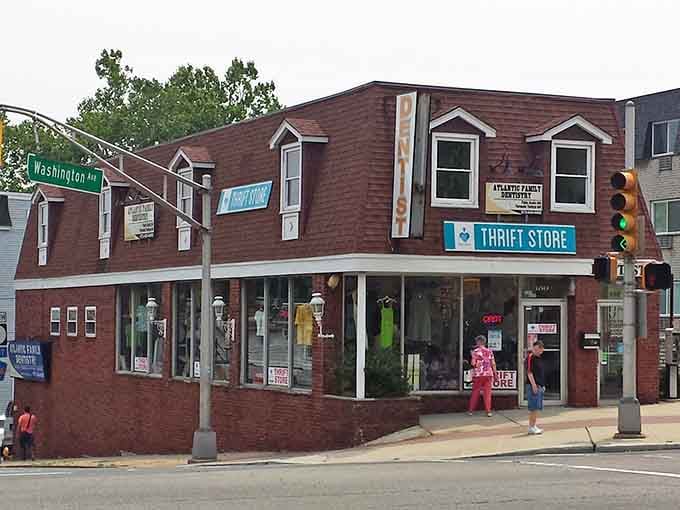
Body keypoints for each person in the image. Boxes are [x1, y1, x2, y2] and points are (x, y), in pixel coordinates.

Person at [468, 335, 498, 417]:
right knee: (487, 393)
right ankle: (488, 411)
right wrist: (495, 374)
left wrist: (473, 357)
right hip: (488, 374)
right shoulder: (489, 351)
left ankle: (471, 410)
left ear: (478, 342)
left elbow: (473, 364)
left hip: (478, 374)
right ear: (484, 342)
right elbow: (493, 364)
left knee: (475, 392)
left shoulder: (475, 352)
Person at [526, 340, 546, 435]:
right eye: (534, 349)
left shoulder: (539, 358)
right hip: (533, 386)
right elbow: (529, 373)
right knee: (533, 408)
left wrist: (542, 385)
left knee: (537, 408)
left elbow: (540, 374)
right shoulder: (531, 357)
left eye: (537, 349)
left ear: (542, 349)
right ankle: (531, 427)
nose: (535, 351)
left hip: (539, 386)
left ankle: (533, 425)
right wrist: (534, 385)